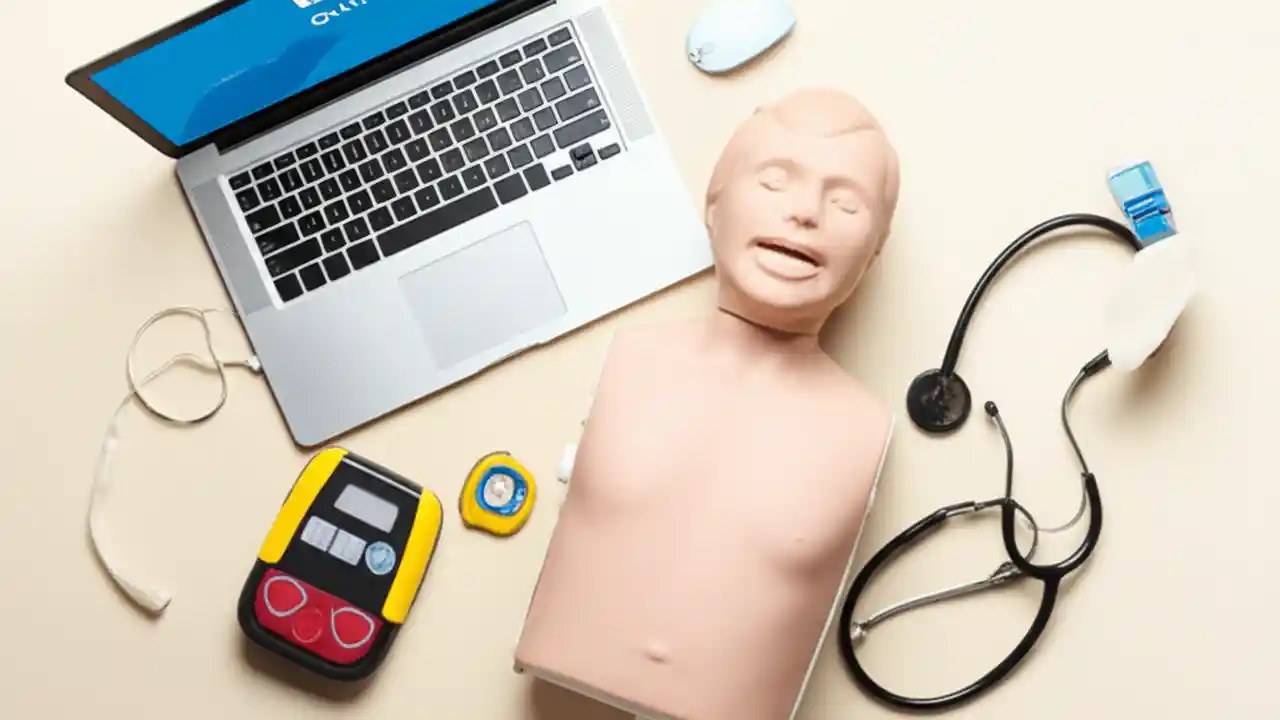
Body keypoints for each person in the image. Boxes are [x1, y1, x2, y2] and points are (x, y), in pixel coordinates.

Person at [515, 87, 901, 720]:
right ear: (713, 202)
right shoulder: (633, 356)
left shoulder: (867, 425)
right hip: (556, 676)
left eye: (845, 202)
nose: (804, 212)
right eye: (775, 181)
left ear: (875, 249)